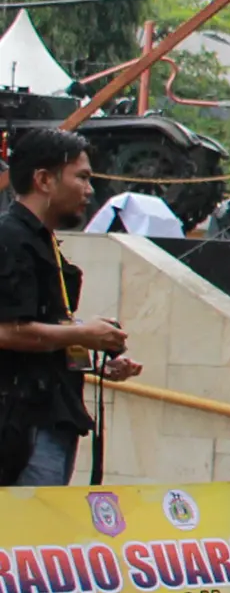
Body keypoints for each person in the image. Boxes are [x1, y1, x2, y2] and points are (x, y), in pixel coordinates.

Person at [0, 128, 140, 486]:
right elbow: (6, 330)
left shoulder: (44, 241)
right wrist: (83, 332)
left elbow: (46, 328)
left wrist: (93, 354)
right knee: (25, 535)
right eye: (81, 177)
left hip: (51, 415)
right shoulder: (10, 238)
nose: (89, 190)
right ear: (44, 180)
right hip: (19, 423)